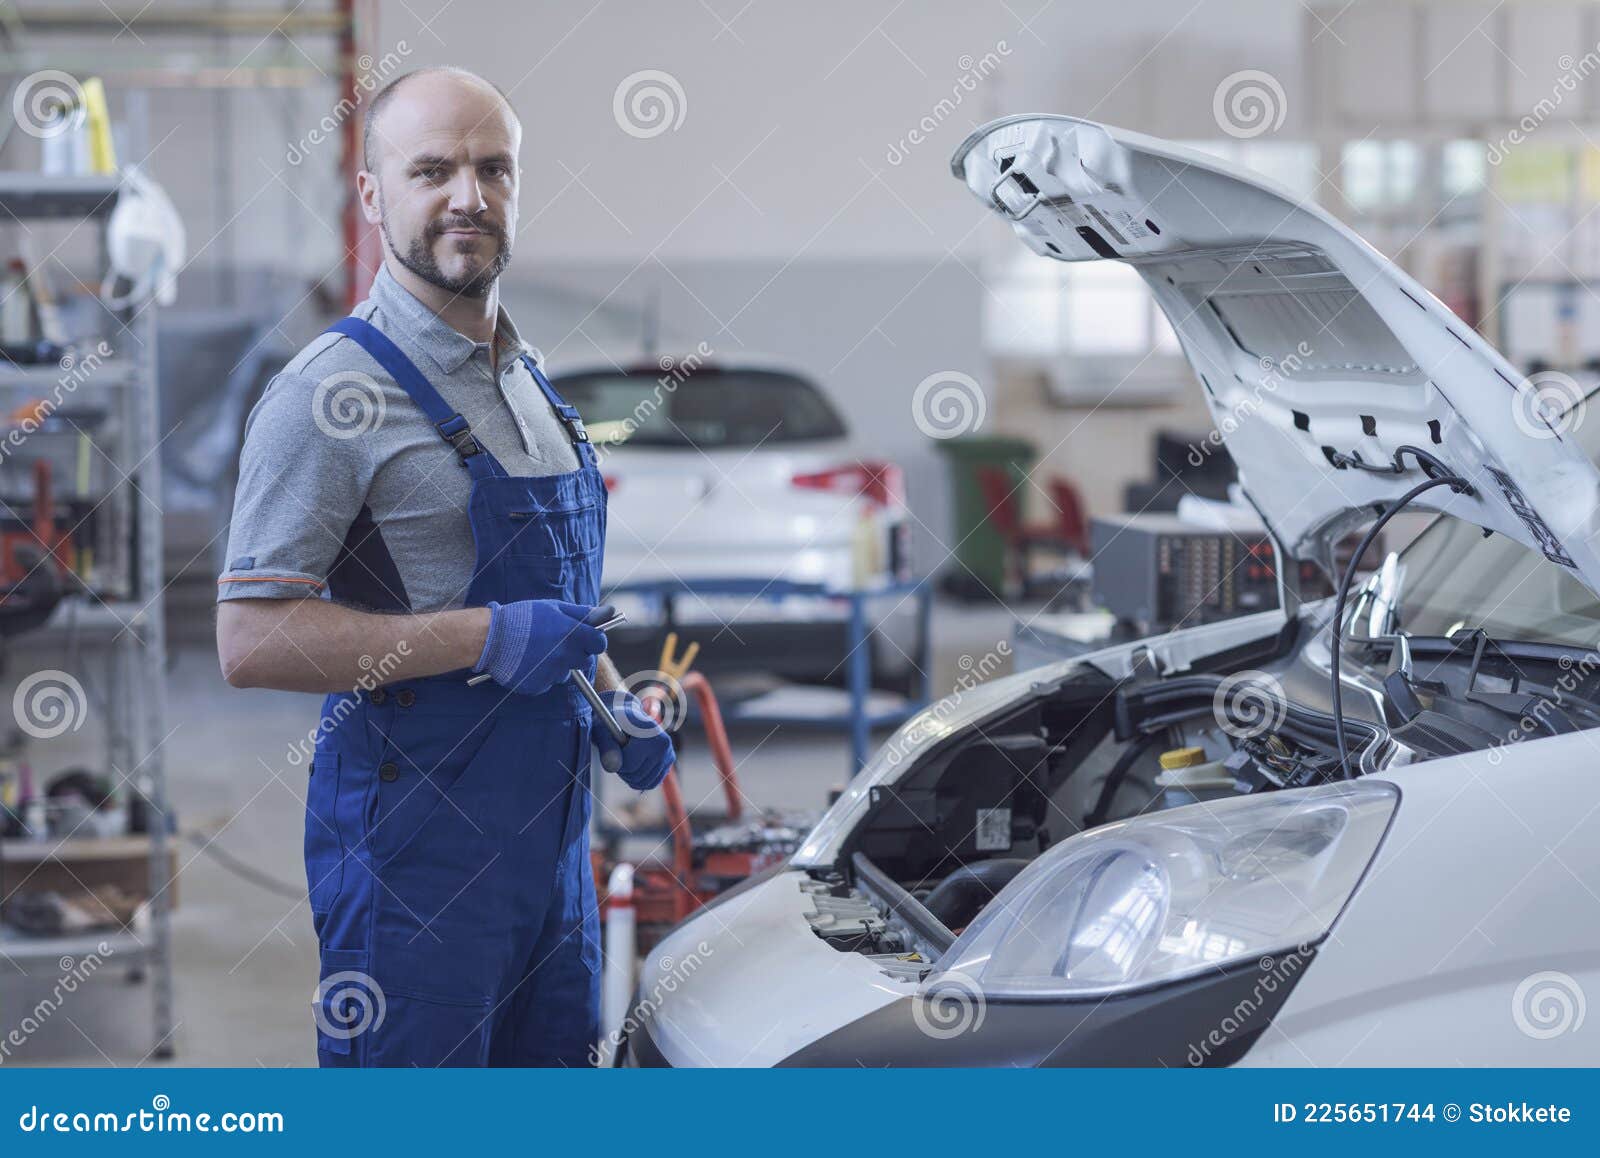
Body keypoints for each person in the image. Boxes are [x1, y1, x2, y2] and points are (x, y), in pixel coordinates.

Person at [215, 66, 673, 1067]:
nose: (467, 194)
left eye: (491, 167)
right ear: (374, 198)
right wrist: (487, 638)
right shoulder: (327, 393)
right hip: (413, 863)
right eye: (431, 170)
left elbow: (549, 602)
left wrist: (610, 700)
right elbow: (251, 642)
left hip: (552, 858)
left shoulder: (530, 378)